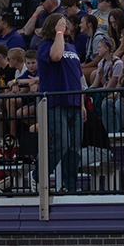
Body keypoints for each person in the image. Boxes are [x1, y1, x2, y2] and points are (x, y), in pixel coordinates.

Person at [35, 13, 83, 193]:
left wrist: (83, 103)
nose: (65, 26)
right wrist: (59, 33)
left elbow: (78, 76)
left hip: (75, 102)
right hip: (55, 102)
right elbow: (55, 56)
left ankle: (71, 186)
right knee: (61, 143)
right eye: (61, 24)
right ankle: (38, 177)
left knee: (74, 148)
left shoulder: (71, 47)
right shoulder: (44, 46)